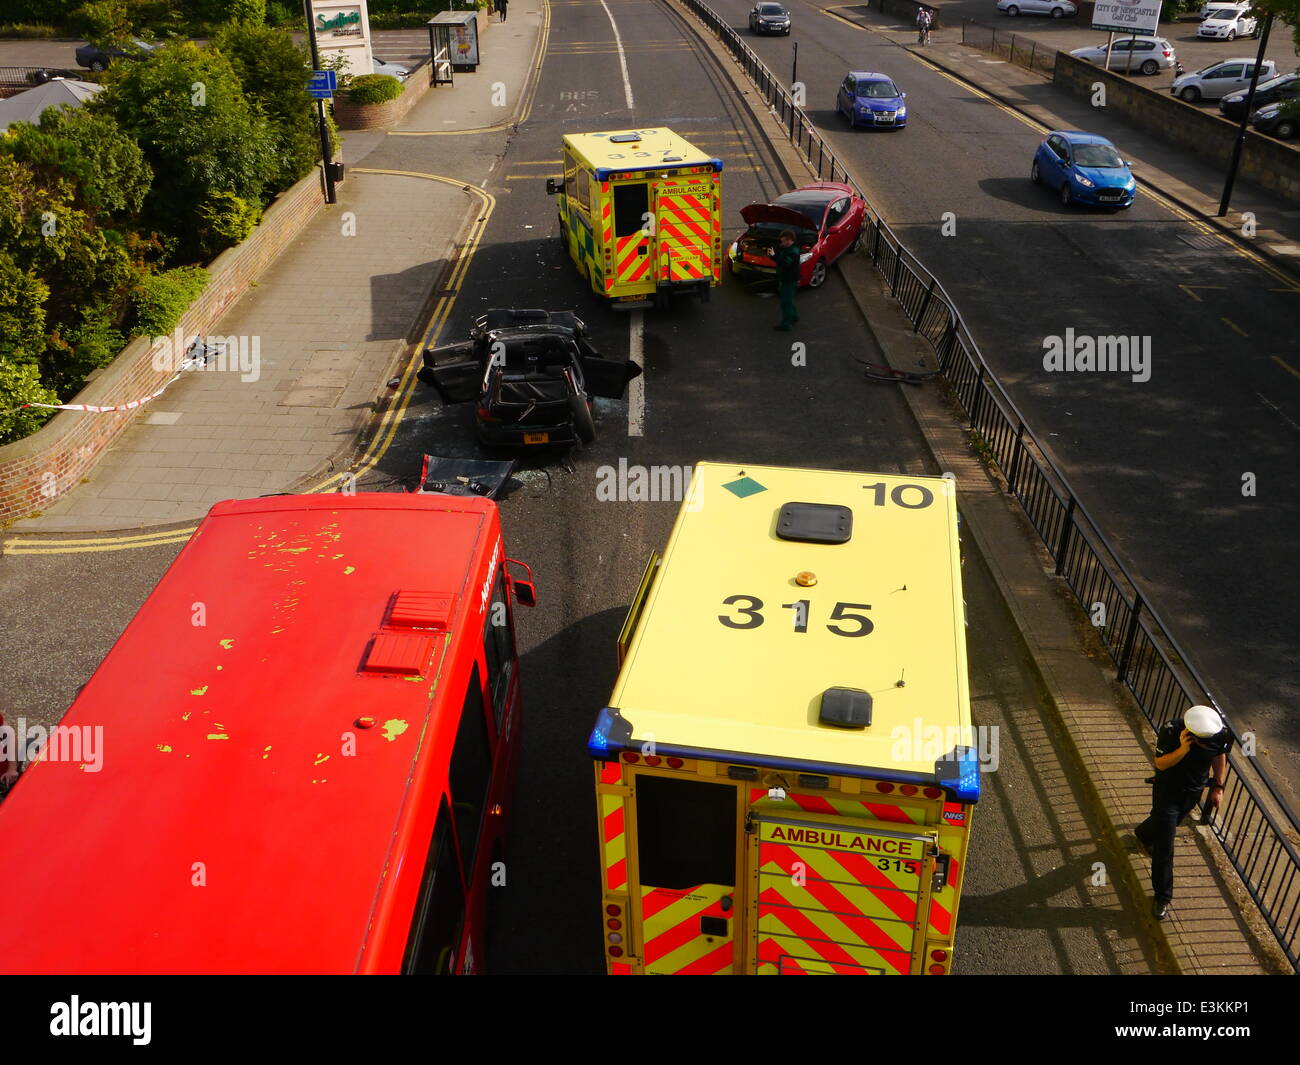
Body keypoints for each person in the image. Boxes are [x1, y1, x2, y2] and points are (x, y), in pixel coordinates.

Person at [1134, 705, 1231, 921]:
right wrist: (1182, 750)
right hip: (1167, 792)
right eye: (1200, 742)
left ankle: (1143, 834)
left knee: (1163, 826)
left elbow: (1219, 755)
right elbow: (1160, 763)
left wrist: (1218, 787)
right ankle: (1163, 897)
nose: (1205, 745)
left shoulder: (1217, 734)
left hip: (1192, 793)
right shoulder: (1170, 731)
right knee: (1165, 847)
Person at [765, 229, 801, 331]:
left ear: (789, 240)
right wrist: (773, 255)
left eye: (783, 241)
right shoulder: (790, 248)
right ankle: (794, 317)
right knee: (788, 300)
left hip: (789, 280)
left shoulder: (793, 252)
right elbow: (780, 259)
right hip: (787, 279)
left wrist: (774, 256)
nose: (782, 243)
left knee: (785, 303)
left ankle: (786, 324)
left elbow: (785, 263)